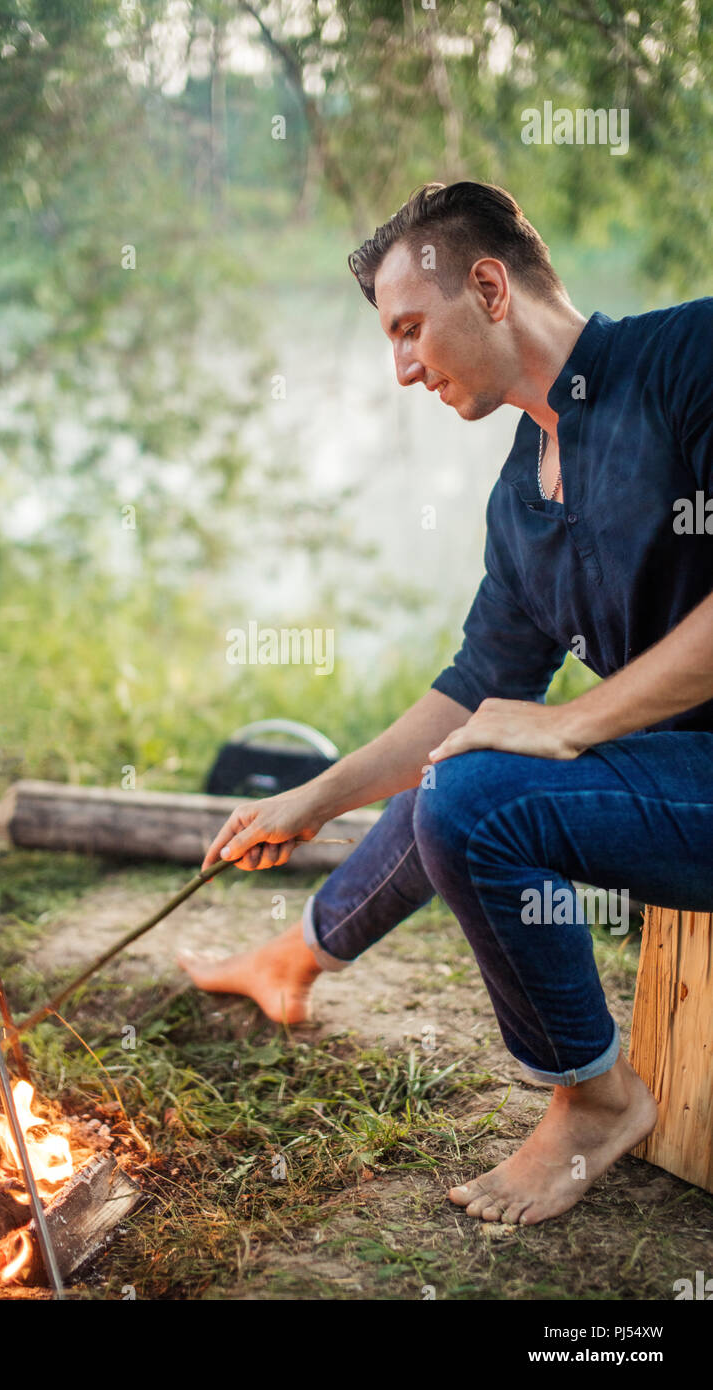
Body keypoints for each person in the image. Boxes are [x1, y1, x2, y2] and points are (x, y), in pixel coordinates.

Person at [179, 181, 713, 1226]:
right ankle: (295, 957)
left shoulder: (687, 358)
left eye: (409, 328)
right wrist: (315, 798)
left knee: (477, 788)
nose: (402, 366)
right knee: (461, 776)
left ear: (486, 285)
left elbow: (525, 725)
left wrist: (565, 721)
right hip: (669, 792)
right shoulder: (520, 498)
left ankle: (592, 1097)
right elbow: (471, 693)